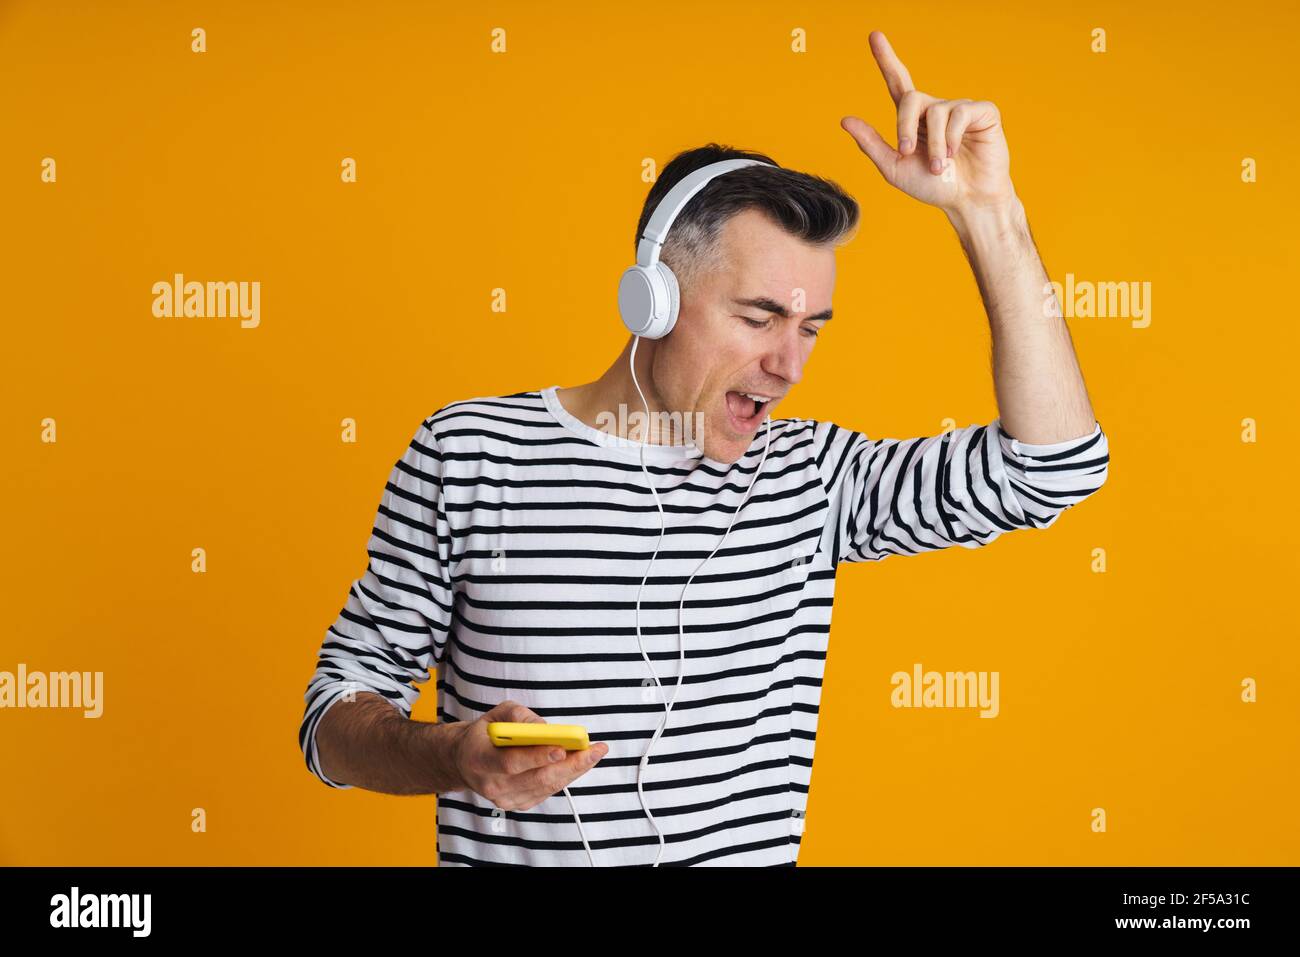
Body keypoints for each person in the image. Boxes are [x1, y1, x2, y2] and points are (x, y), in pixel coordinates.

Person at [297, 31, 1109, 866]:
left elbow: (1053, 466)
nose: (788, 364)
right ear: (652, 297)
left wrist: (988, 213)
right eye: (758, 318)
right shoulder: (469, 453)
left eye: (810, 330)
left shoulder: (812, 479)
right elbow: (331, 718)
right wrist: (449, 756)